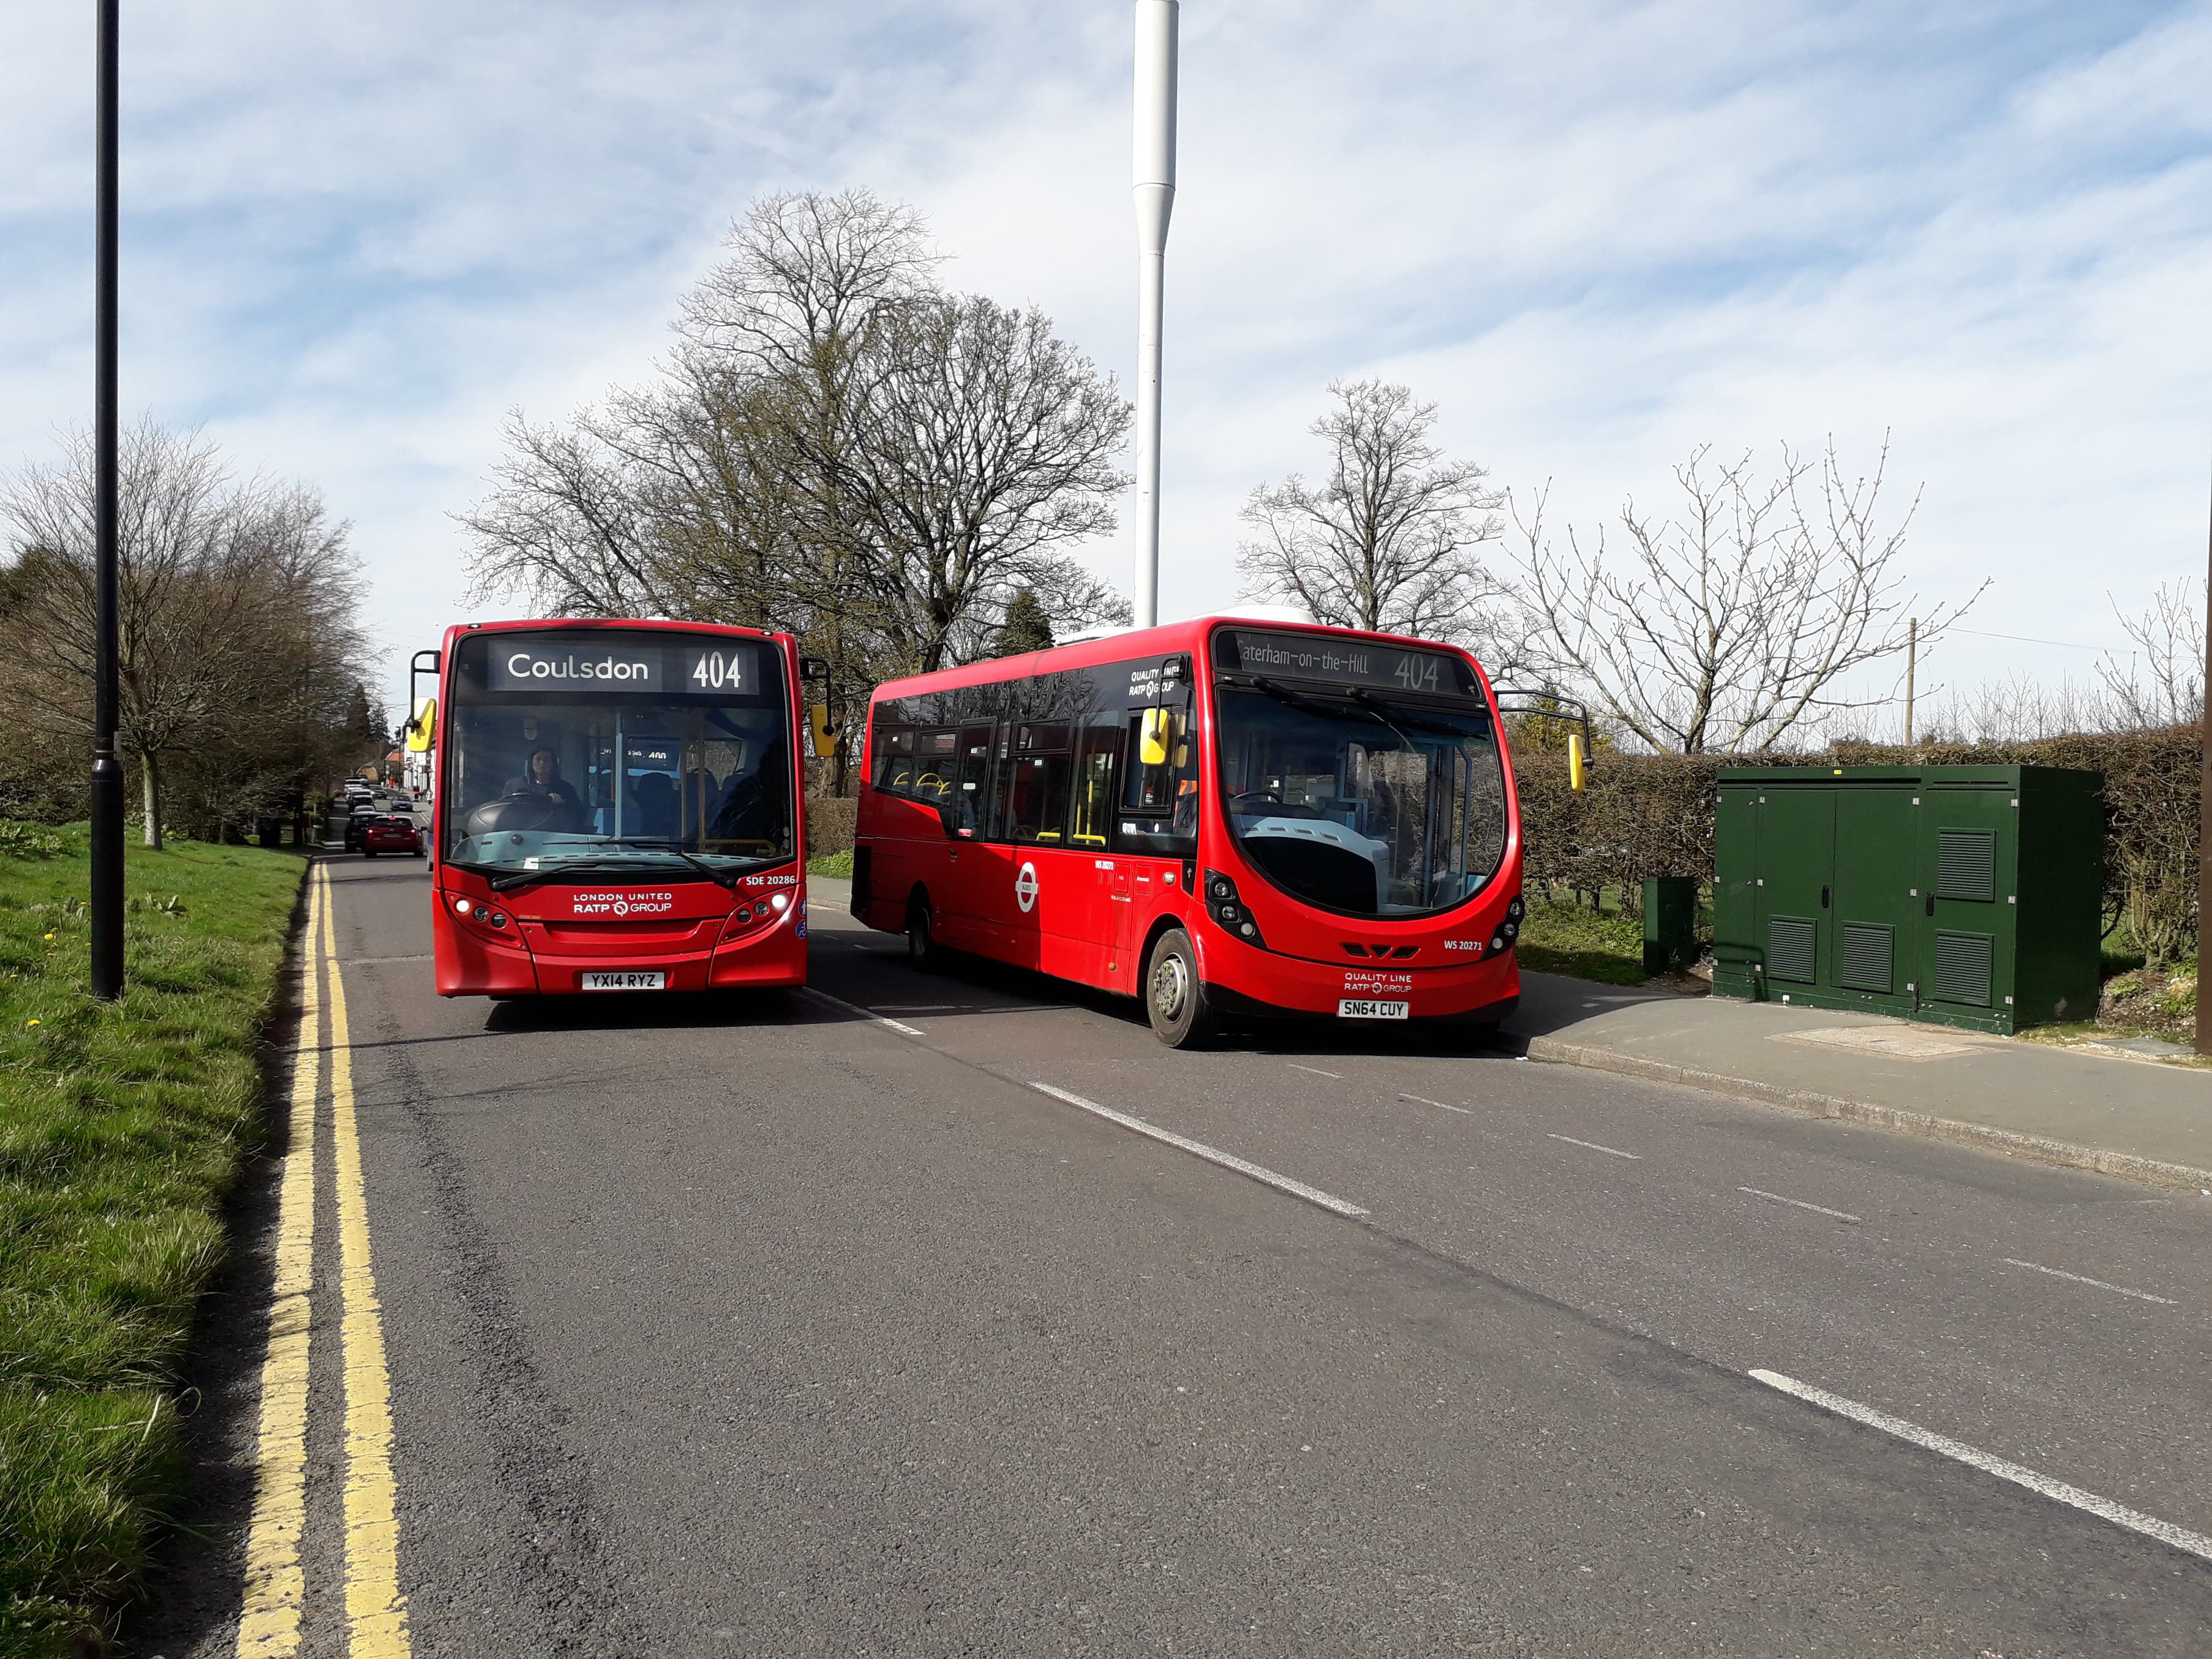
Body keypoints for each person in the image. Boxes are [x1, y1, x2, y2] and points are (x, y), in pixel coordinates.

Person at [501, 748, 589, 830]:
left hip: (554, 838)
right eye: (538, 759)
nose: (542, 763)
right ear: (531, 763)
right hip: (518, 836)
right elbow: (503, 812)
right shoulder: (515, 786)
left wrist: (563, 804)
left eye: (546, 760)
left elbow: (579, 817)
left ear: (553, 764)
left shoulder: (566, 789)